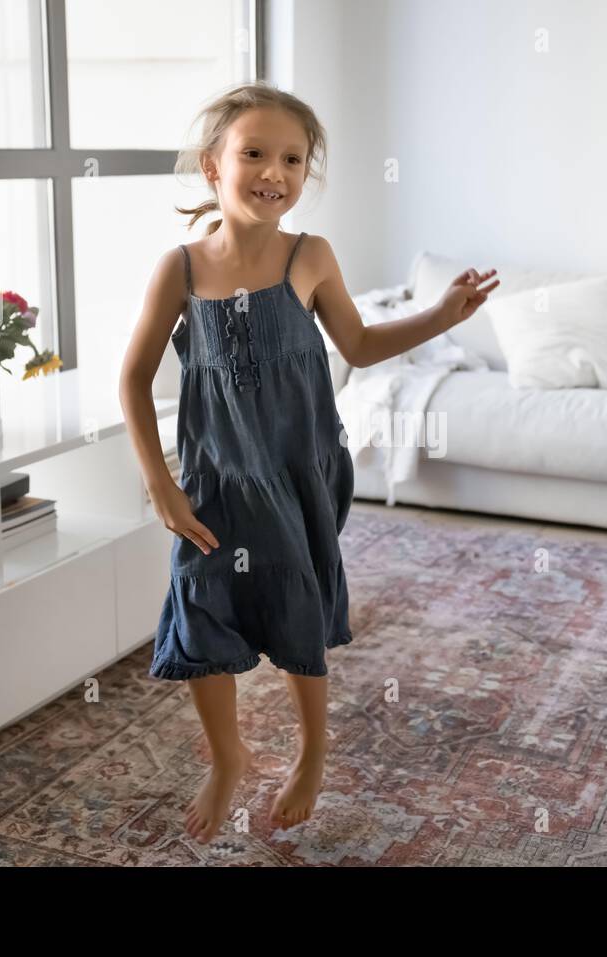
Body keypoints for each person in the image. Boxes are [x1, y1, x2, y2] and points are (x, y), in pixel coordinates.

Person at [119, 81, 498, 845]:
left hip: (297, 477)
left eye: (293, 158)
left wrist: (437, 316)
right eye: (254, 153)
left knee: (296, 609)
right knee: (201, 611)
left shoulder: (310, 257)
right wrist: (160, 483)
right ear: (212, 167)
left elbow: (358, 346)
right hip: (214, 481)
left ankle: (312, 753)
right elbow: (131, 378)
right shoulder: (181, 271)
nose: (274, 171)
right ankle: (227, 757)